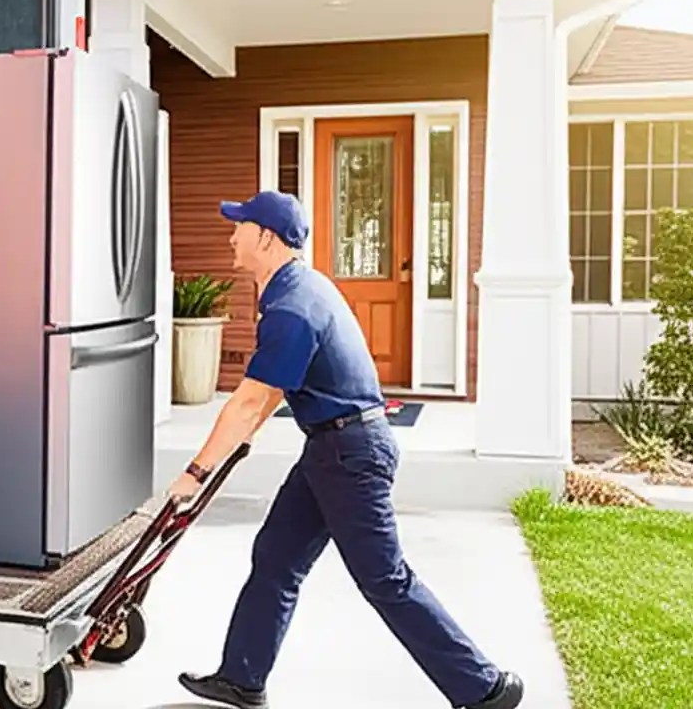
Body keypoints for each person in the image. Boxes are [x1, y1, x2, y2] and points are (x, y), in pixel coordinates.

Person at [166, 190, 524, 709]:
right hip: (332, 449)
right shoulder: (302, 288)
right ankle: (242, 678)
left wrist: (195, 473)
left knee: (385, 579)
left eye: (240, 226)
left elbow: (249, 401)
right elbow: (270, 393)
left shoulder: (291, 308)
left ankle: (484, 688)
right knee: (276, 556)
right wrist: (244, 436)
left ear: (266, 237)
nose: (231, 234)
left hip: (350, 454)